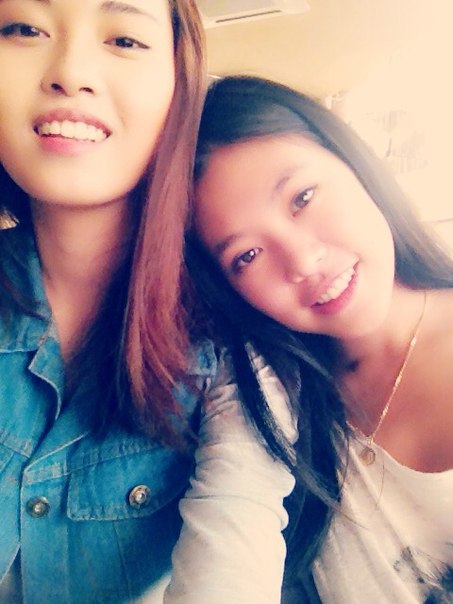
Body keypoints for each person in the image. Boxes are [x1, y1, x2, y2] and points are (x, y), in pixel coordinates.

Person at [0, 4, 296, 603]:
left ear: (180, 87)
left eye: (126, 39)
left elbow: (233, 553)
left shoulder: (237, 337)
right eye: (25, 28)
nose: (71, 73)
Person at [188, 75, 453, 603]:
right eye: (247, 256)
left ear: (355, 162)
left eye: (302, 198)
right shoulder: (271, 406)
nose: (303, 262)